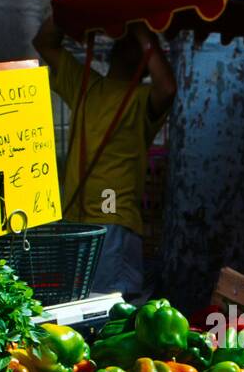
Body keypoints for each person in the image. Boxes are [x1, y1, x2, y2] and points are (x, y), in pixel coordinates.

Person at [32, 17, 176, 300]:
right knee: (79, 303)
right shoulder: (86, 85)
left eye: (133, 45)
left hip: (113, 220)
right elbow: (43, 43)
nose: (126, 46)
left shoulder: (141, 99)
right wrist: (68, 11)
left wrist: (142, 34)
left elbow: (168, 88)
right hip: (76, 220)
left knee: (113, 306)